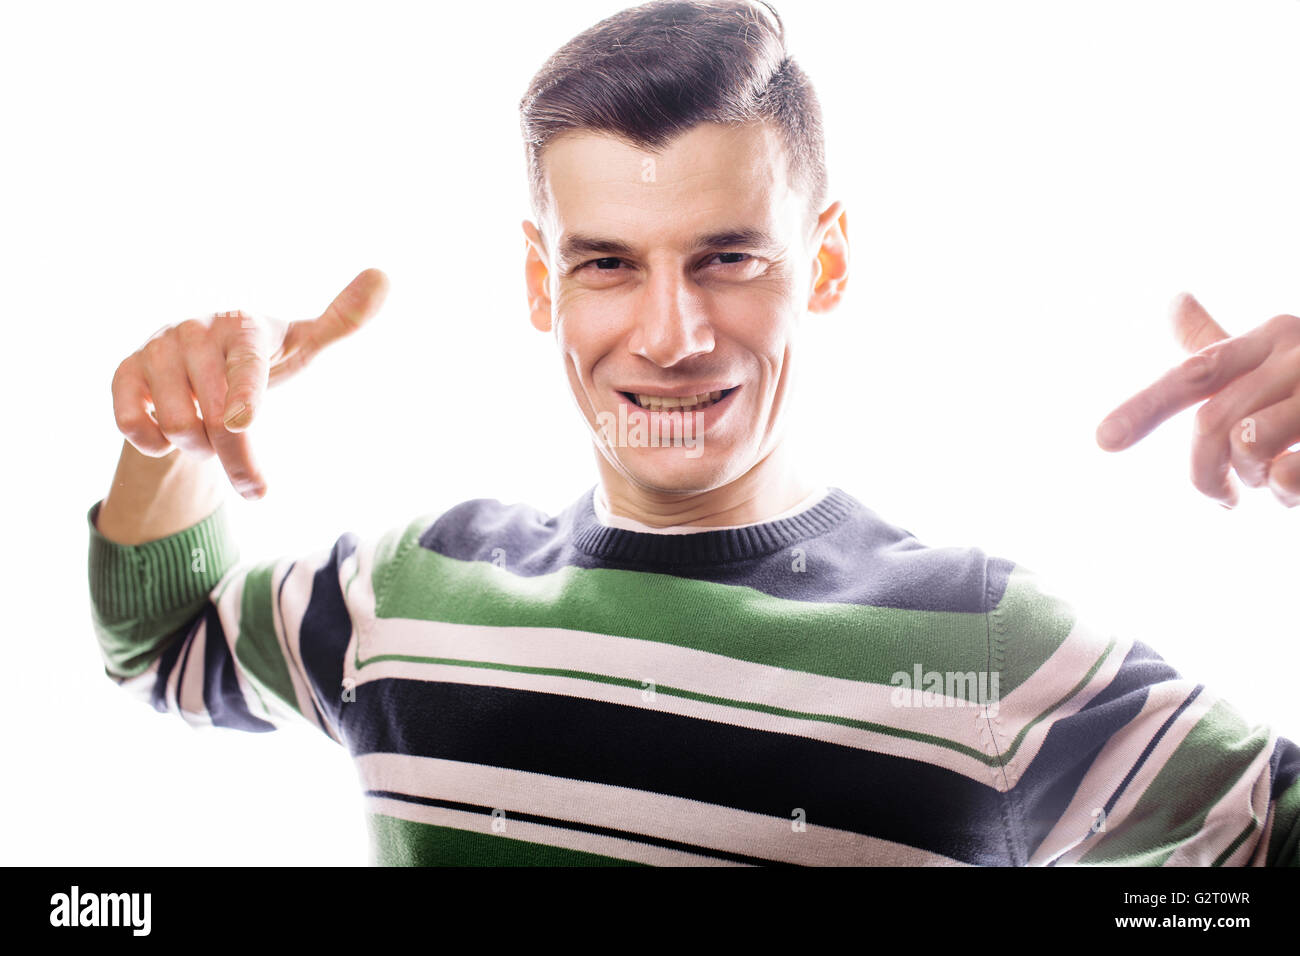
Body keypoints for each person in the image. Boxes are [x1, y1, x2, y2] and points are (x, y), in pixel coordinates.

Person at [87, 0, 1299, 866]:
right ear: (537, 280)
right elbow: (164, 643)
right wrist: (171, 441)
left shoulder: (984, 642)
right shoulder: (403, 591)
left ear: (821, 260)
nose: (669, 334)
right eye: (606, 263)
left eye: (728, 256)